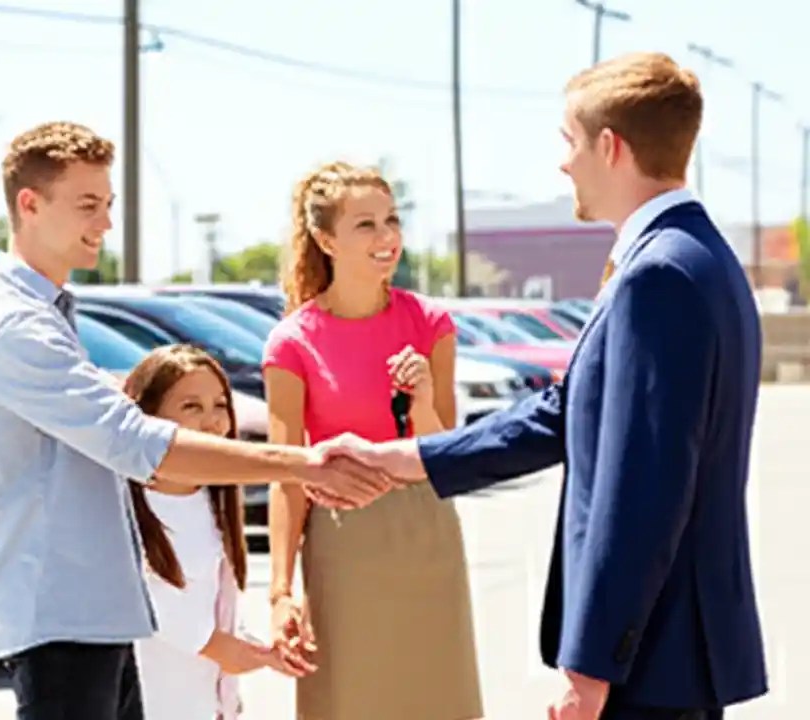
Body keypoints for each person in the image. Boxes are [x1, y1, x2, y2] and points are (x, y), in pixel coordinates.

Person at [311, 53, 767, 720]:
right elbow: (562, 415)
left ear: (609, 147)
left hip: (650, 662)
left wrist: (591, 669)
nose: (563, 163)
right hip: (673, 653)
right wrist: (402, 459)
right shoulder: (696, 257)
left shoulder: (658, 275)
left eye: (570, 141)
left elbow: (642, 487)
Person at [0, 121, 386, 720]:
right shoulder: (16, 328)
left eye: (107, 205)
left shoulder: (44, 317)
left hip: (96, 617)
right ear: (29, 205)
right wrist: (303, 463)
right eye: (87, 205)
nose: (105, 223)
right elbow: (139, 444)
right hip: (60, 622)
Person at [262, 160, 484, 720]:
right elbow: (287, 473)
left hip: (425, 534)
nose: (387, 238)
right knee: (351, 701)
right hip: (343, 544)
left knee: (438, 699)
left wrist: (426, 400)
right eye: (365, 224)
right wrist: (280, 591)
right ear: (325, 238)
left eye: (391, 220)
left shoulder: (430, 322)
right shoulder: (292, 343)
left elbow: (443, 451)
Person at [126, 345, 311, 720]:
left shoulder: (211, 501)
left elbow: (216, 601)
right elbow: (150, 602)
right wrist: (214, 644)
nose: (212, 422)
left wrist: (259, 648)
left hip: (203, 703)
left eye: (220, 406)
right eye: (191, 407)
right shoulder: (127, 508)